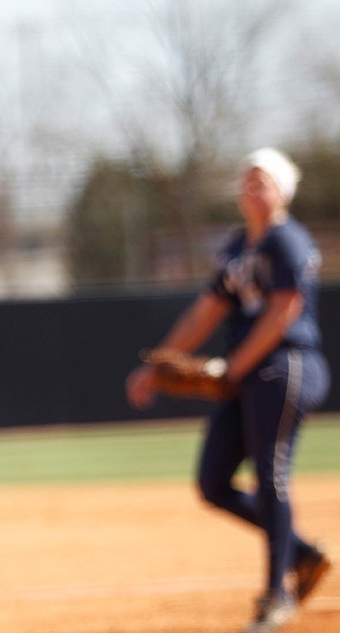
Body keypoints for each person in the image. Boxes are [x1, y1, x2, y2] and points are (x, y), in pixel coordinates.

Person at [125, 148, 331, 633]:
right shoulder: (238, 247)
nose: (252, 187)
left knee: (269, 475)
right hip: (247, 374)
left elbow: (283, 312)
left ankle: (277, 595)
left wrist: (232, 369)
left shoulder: (287, 240)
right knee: (213, 482)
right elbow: (205, 312)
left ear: (283, 192)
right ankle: (303, 553)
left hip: (286, 365)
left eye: (263, 180)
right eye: (247, 179)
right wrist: (157, 364)